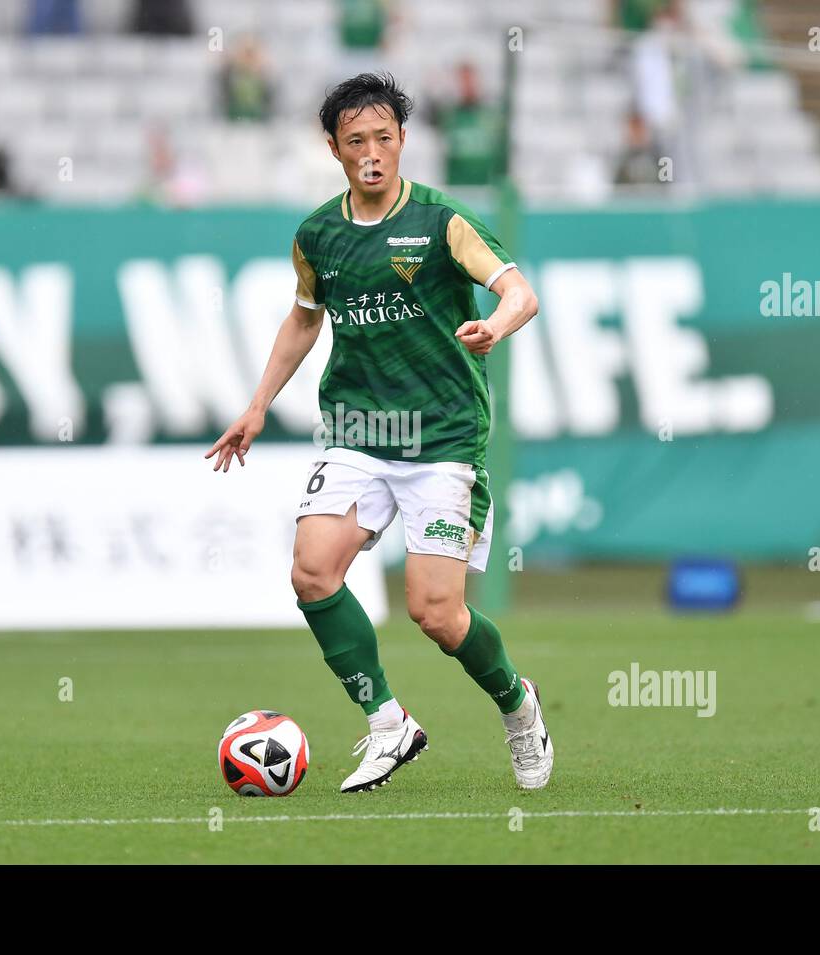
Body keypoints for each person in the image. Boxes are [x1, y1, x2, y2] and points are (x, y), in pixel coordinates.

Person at [205, 73, 551, 793]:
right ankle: (389, 722)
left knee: (437, 613)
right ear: (333, 148)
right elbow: (304, 318)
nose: (371, 152)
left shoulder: (441, 221)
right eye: (356, 140)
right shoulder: (317, 235)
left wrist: (496, 324)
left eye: (383, 138)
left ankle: (518, 705)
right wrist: (258, 404)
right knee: (311, 571)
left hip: (443, 438)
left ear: (403, 141)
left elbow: (519, 292)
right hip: (358, 430)